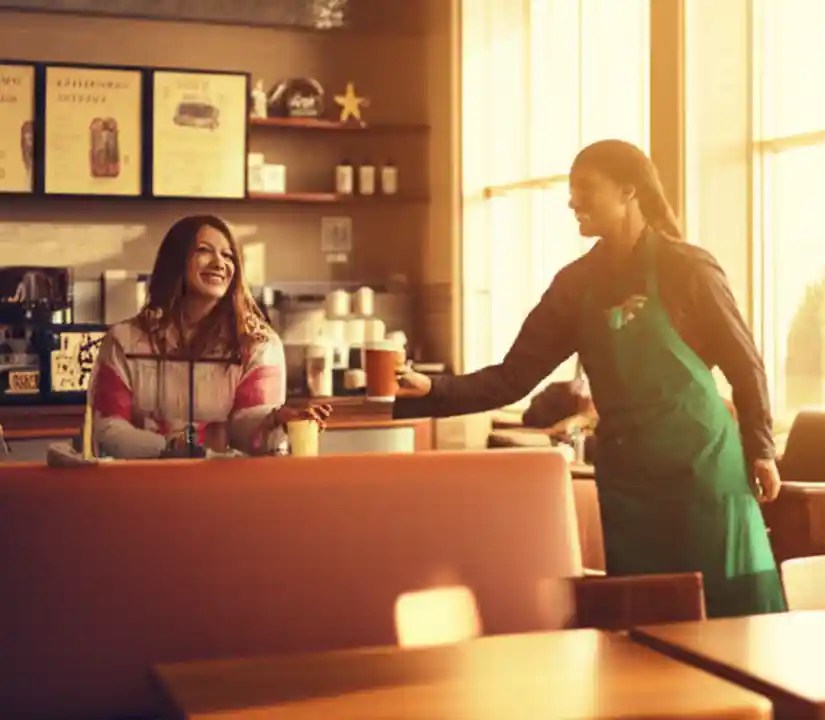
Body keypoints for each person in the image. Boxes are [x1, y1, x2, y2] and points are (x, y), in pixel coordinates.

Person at [396, 139, 786, 617]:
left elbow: (745, 364)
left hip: (704, 472)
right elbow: (512, 377)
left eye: (586, 188)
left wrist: (762, 448)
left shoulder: (688, 267)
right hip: (629, 480)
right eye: (571, 190)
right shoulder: (574, 285)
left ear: (629, 191)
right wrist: (432, 389)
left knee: (732, 615)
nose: (572, 201)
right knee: (645, 623)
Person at [90, 215, 330, 459]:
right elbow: (107, 429)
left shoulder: (257, 344)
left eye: (228, 256)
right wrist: (168, 448)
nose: (219, 263)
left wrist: (275, 419)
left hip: (226, 489)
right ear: (175, 262)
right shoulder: (123, 341)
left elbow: (247, 426)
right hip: (142, 487)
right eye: (204, 251)